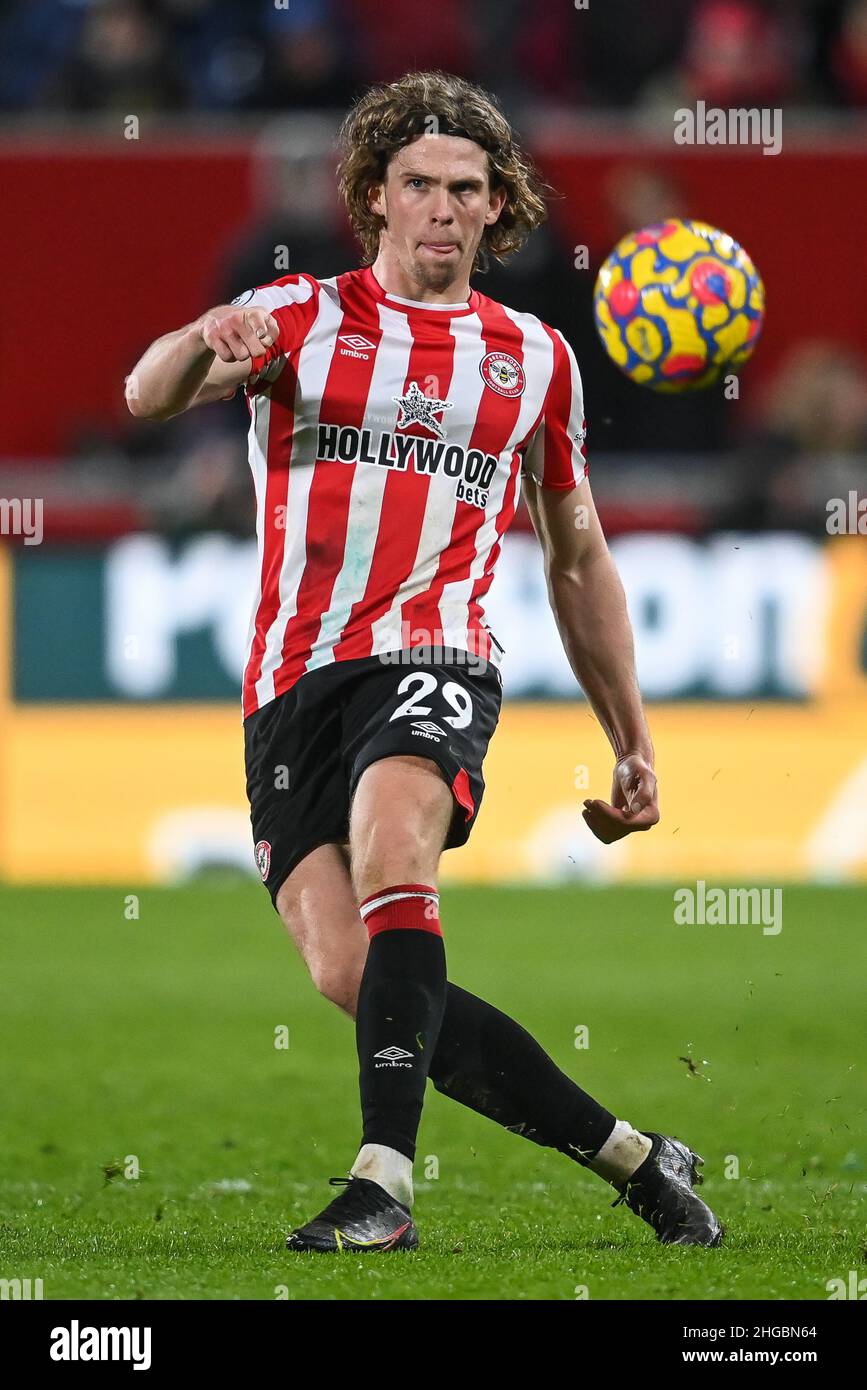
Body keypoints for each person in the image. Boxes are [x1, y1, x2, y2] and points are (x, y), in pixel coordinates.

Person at [126, 70, 723, 1252]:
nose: (445, 207)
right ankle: (635, 1156)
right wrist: (205, 339)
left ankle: (382, 1184)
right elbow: (144, 395)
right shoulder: (295, 315)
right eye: (419, 186)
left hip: (438, 652)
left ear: (498, 207)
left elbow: (577, 554)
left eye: (468, 188)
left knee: (401, 848)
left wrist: (632, 735)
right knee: (355, 976)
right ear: (375, 199)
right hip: (294, 681)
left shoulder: (536, 360)